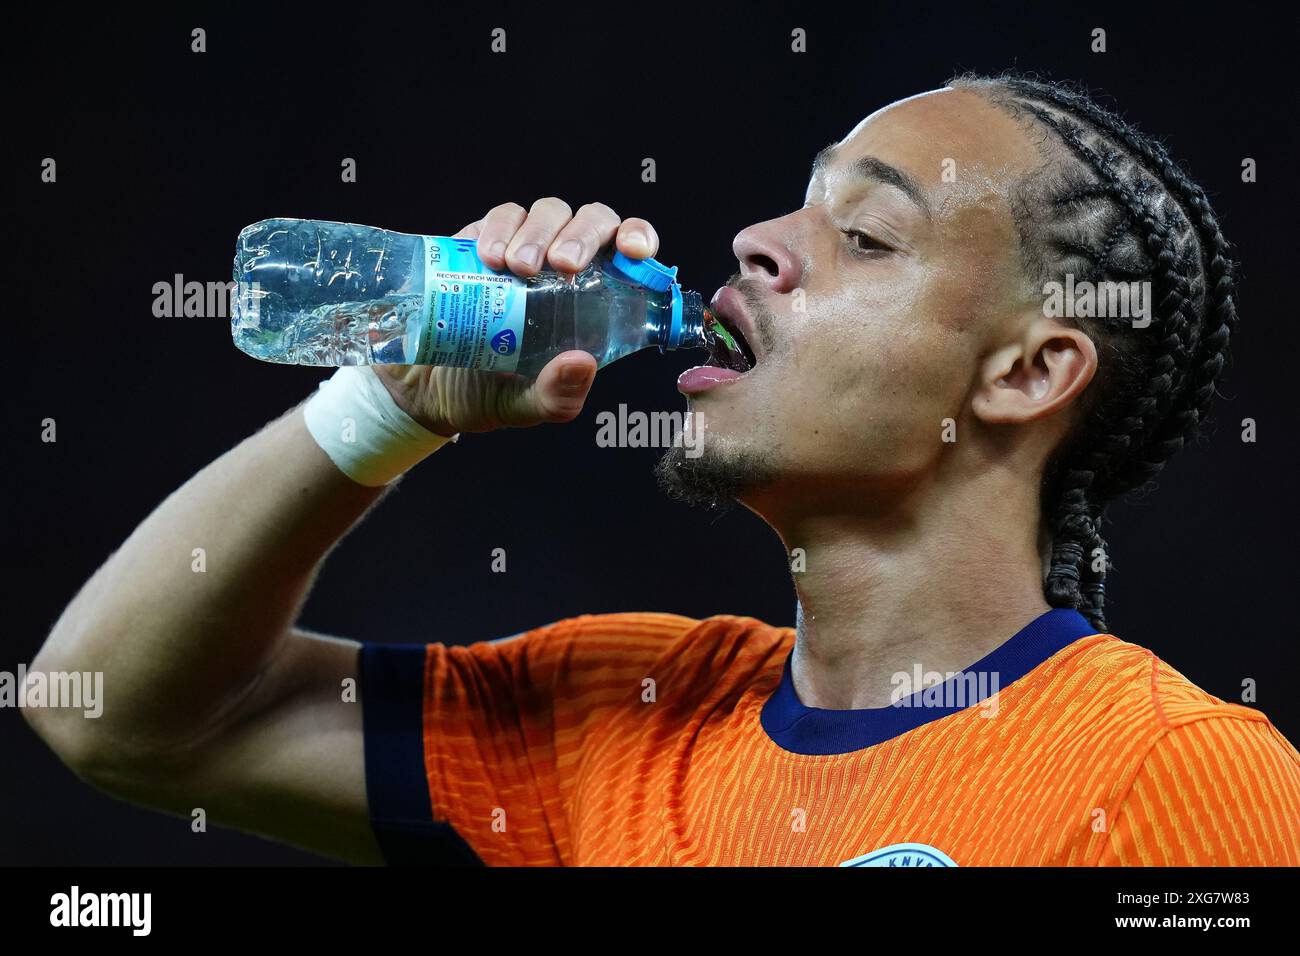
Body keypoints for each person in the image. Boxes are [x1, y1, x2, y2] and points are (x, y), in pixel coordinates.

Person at [25, 73, 1300, 866]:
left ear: (1024, 374)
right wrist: (384, 410)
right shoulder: (627, 713)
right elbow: (116, 716)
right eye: (793, 204)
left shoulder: (1178, 780)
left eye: (864, 232)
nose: (754, 240)